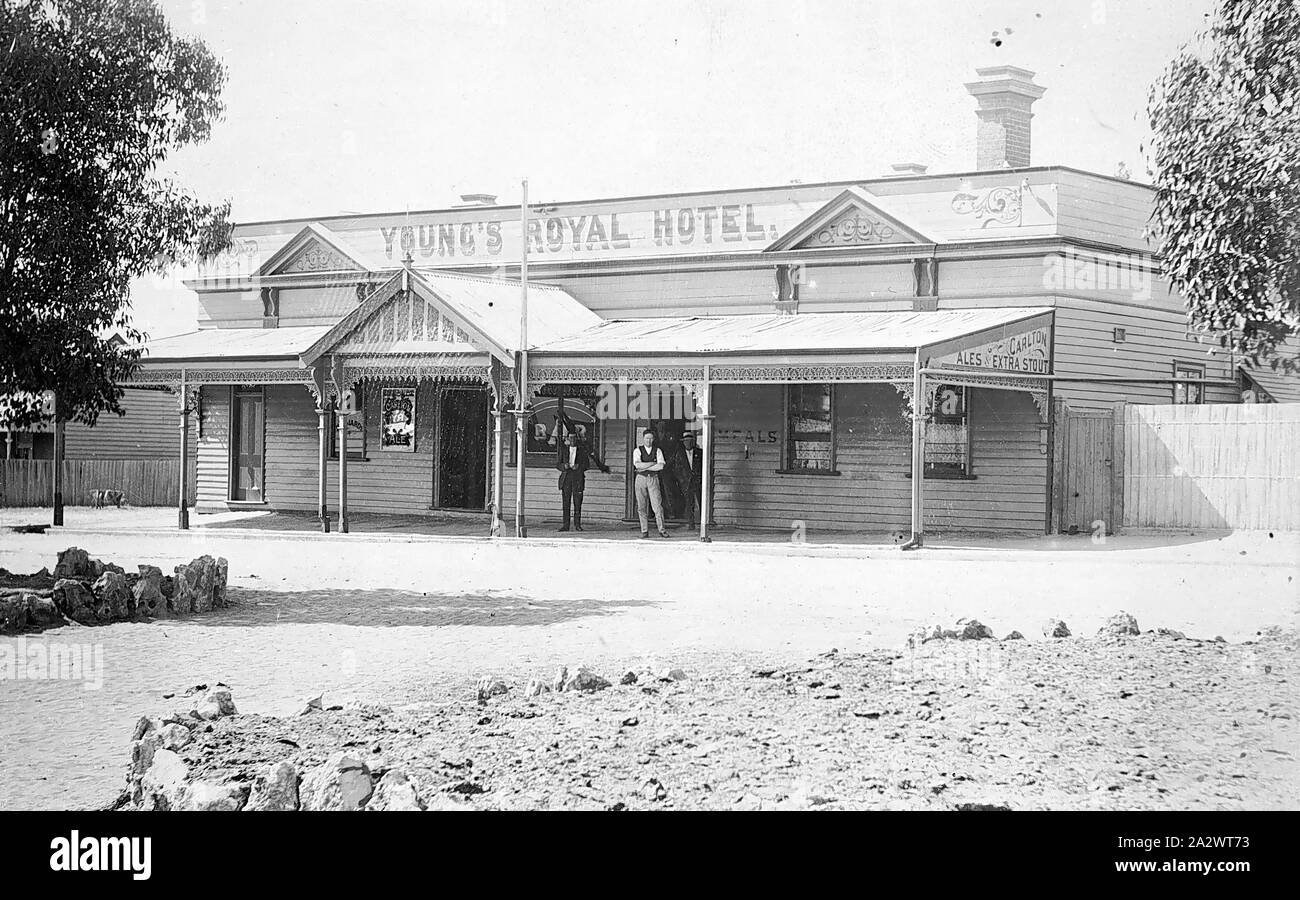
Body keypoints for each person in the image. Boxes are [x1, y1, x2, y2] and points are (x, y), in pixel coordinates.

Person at [633, 428, 670, 538]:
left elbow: (661, 466)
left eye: (650, 438)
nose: (648, 441)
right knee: (642, 506)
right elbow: (637, 465)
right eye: (646, 438)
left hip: (653, 479)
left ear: (653, 439)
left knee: (657, 505)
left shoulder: (657, 450)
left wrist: (645, 465)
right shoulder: (637, 450)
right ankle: (644, 531)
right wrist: (652, 463)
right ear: (643, 439)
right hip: (640, 479)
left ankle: (662, 530)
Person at [673, 429, 704, 530]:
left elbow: (703, 466)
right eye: (686, 441)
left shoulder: (699, 453)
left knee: (701, 501)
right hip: (686, 482)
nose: (688, 443)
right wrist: (682, 480)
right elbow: (677, 469)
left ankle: (704, 523)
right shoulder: (680, 454)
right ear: (683, 442)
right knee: (689, 503)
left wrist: (700, 478)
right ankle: (691, 524)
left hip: (697, 482)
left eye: (690, 441)